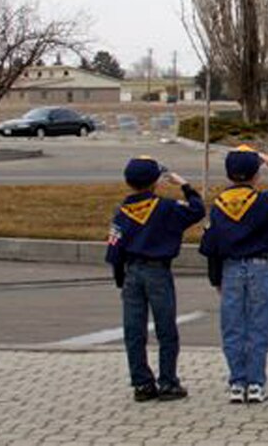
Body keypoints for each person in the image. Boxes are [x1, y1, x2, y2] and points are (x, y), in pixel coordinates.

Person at [199, 145, 268, 404]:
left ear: (229, 174)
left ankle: (237, 382)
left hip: (231, 268)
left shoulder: (219, 205)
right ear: (256, 175)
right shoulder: (267, 201)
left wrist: (215, 278)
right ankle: (256, 383)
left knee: (233, 327)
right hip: (259, 267)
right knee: (259, 326)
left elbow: (212, 245)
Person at [105, 157, 205, 402]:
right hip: (158, 272)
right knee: (166, 328)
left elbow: (115, 250)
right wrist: (185, 186)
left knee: (134, 330)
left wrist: (121, 279)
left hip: (131, 272)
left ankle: (142, 383)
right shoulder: (167, 208)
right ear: (155, 182)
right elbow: (197, 210)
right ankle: (168, 382)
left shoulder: (122, 212)